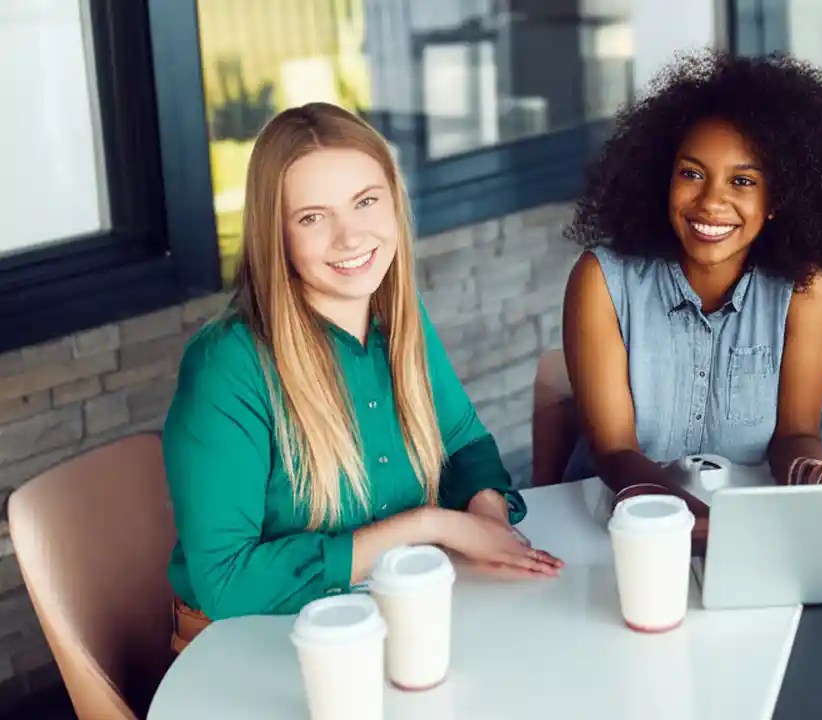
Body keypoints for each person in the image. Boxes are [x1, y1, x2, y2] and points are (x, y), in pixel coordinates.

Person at [163, 103, 562, 647]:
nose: (350, 238)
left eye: (366, 201)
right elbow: (226, 583)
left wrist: (486, 518)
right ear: (275, 234)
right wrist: (434, 525)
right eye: (312, 217)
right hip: (253, 645)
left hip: (385, 614)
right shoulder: (227, 365)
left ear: (394, 202)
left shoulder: (398, 313)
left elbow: (463, 442)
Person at [560, 50, 822, 526]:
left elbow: (795, 435)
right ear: (664, 176)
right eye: (691, 173)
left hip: (743, 523)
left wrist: (813, 478)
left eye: (742, 181)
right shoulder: (602, 280)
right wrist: (699, 521)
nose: (711, 202)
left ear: (778, 198)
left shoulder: (808, 291)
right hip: (621, 522)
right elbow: (615, 451)